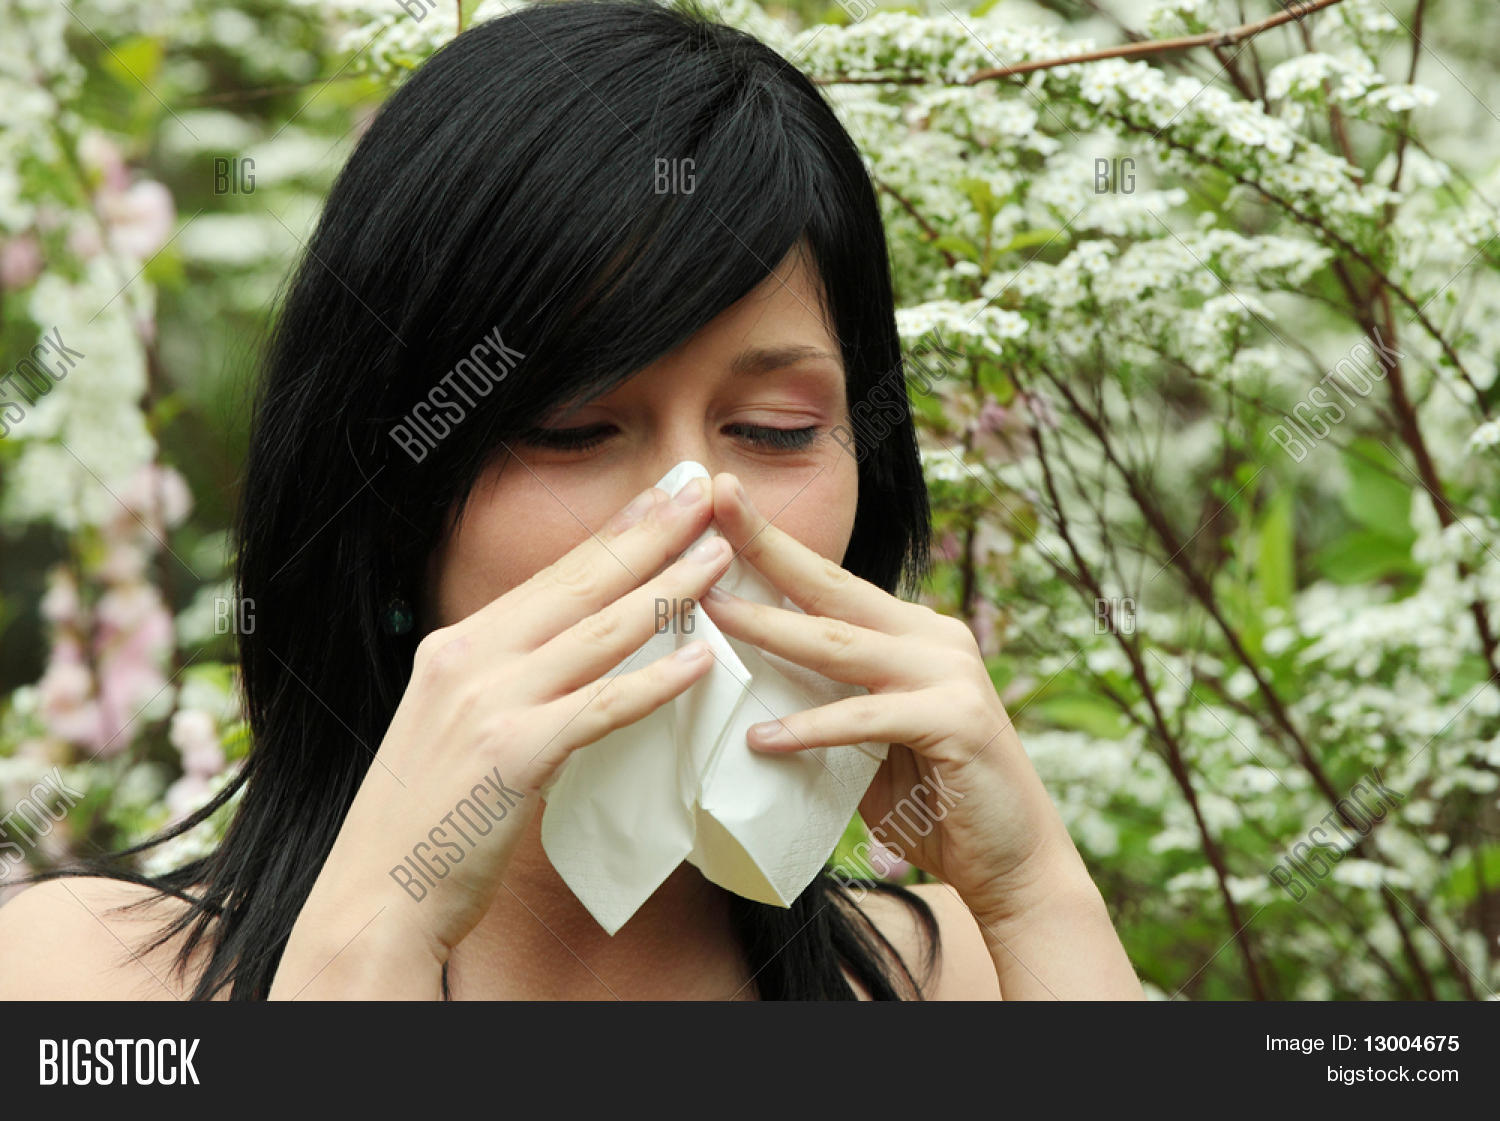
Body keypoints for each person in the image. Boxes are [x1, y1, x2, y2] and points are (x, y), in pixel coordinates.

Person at [0, 0, 1141, 1000]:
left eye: (775, 430)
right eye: (571, 430)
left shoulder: (966, 978)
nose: (691, 508)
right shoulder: (79, 979)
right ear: (387, 492)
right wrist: (373, 936)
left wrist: (1038, 893)